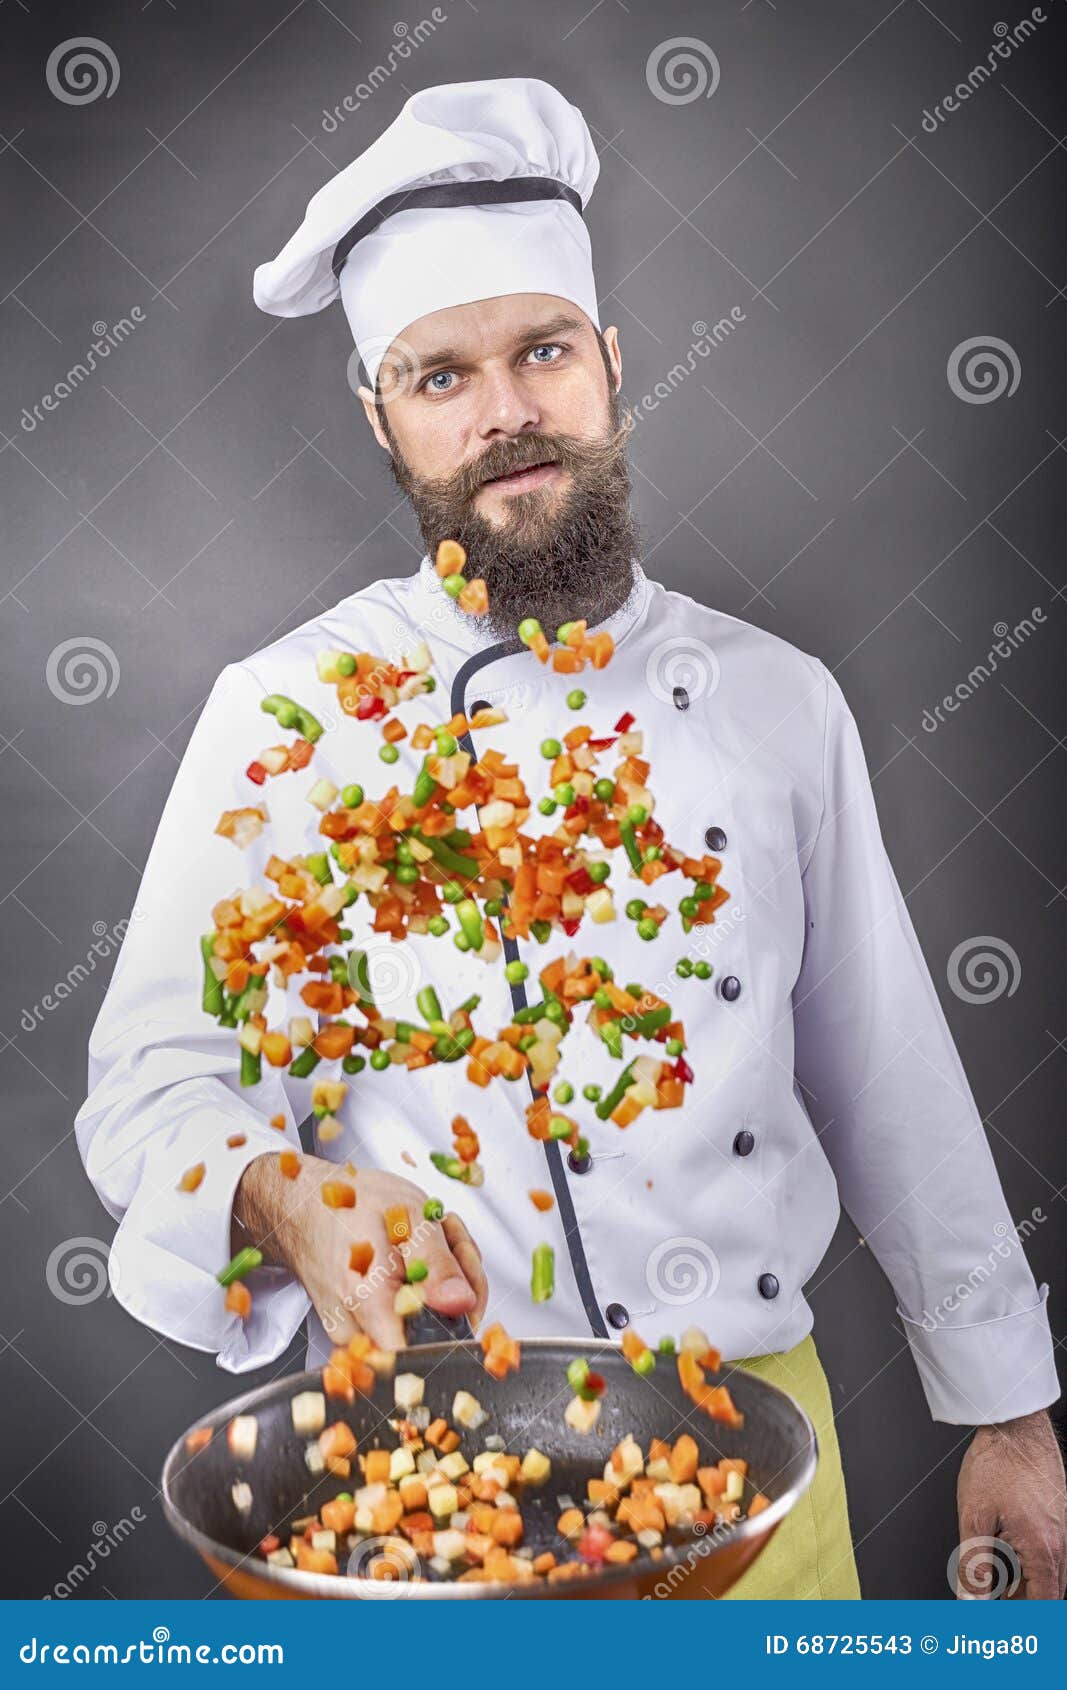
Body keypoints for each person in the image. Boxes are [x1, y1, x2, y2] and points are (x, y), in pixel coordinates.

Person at [76, 78, 1064, 1599]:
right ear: (380, 416)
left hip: (759, 1458)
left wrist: (1010, 1406)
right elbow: (154, 1087)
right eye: (440, 376)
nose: (504, 414)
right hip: (434, 1468)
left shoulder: (778, 702)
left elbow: (893, 1082)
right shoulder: (290, 714)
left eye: (541, 351)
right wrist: (284, 1197)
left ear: (609, 366)